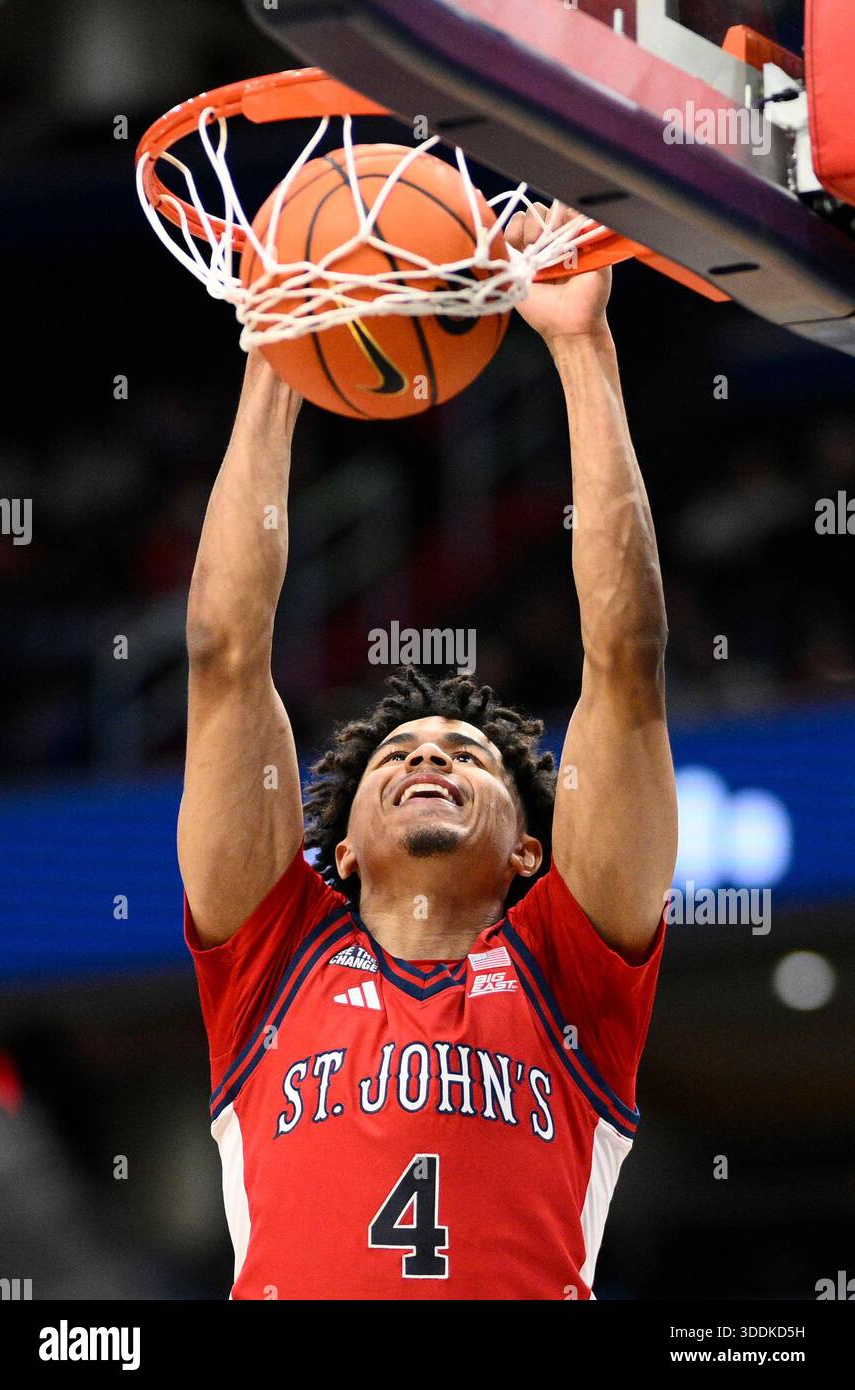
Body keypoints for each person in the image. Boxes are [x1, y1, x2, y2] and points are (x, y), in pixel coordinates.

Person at [178, 203, 678, 1300]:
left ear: (527, 856)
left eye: (468, 754)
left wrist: (579, 346)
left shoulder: (571, 966)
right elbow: (223, 654)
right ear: (340, 854)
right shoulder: (274, 959)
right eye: (399, 750)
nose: (430, 756)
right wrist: (278, 348)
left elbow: (626, 662)